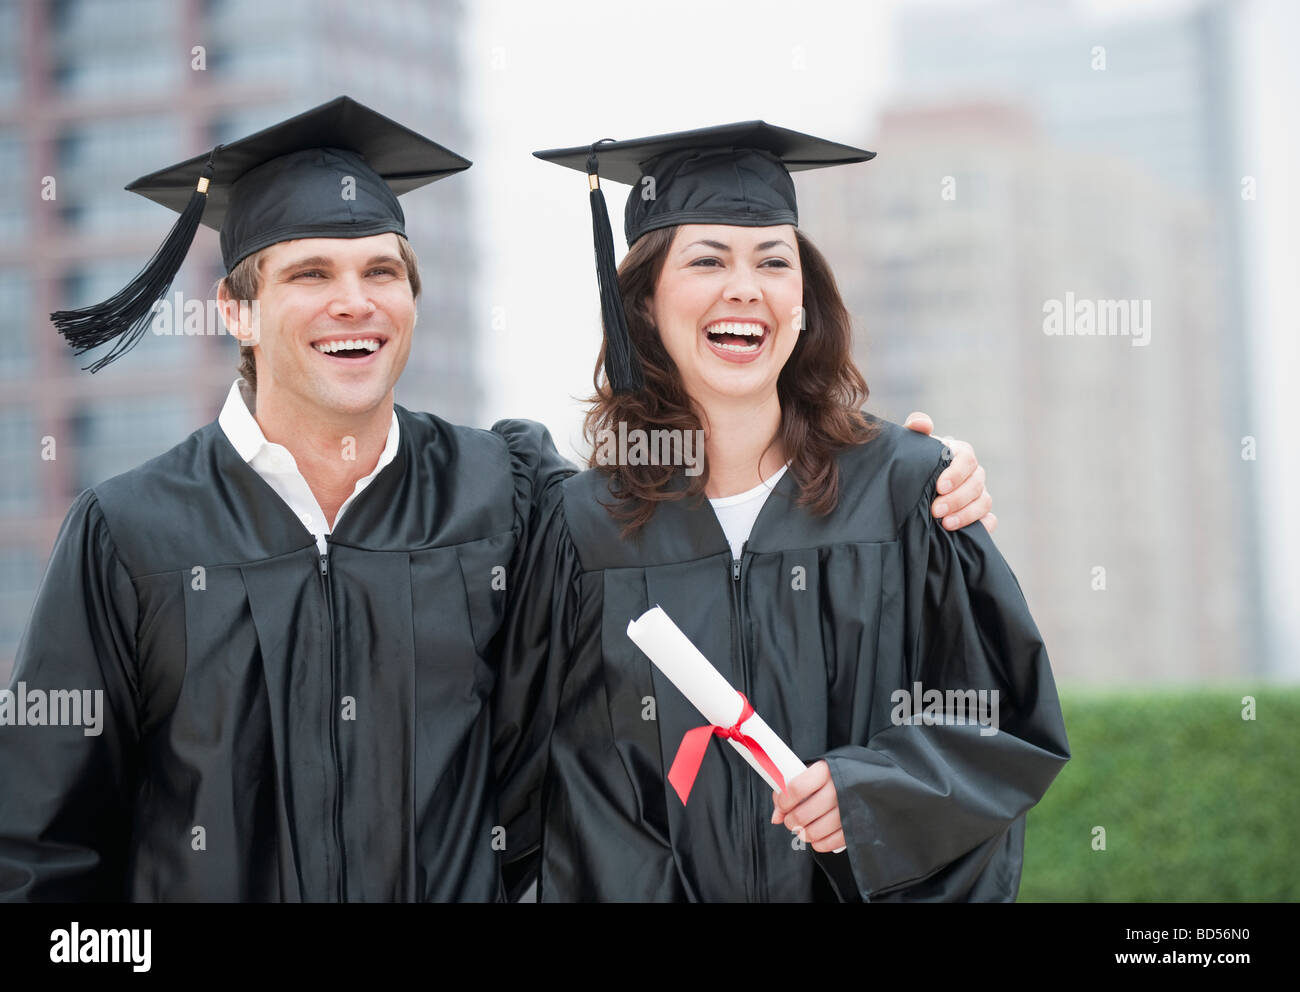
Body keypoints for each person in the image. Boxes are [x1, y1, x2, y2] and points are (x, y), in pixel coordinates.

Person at [0, 100, 991, 902]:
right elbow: (43, 845)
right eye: (311, 273)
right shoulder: (131, 533)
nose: (355, 300)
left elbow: (696, 533)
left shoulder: (509, 494)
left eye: (381, 270)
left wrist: (891, 479)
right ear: (237, 310)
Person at [493, 122, 1069, 902]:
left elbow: (1000, 727)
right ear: (644, 304)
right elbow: (549, 786)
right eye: (707, 260)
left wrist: (876, 796)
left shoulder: (905, 492)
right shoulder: (584, 529)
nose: (745, 287)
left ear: (805, 301)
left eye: (773, 260)